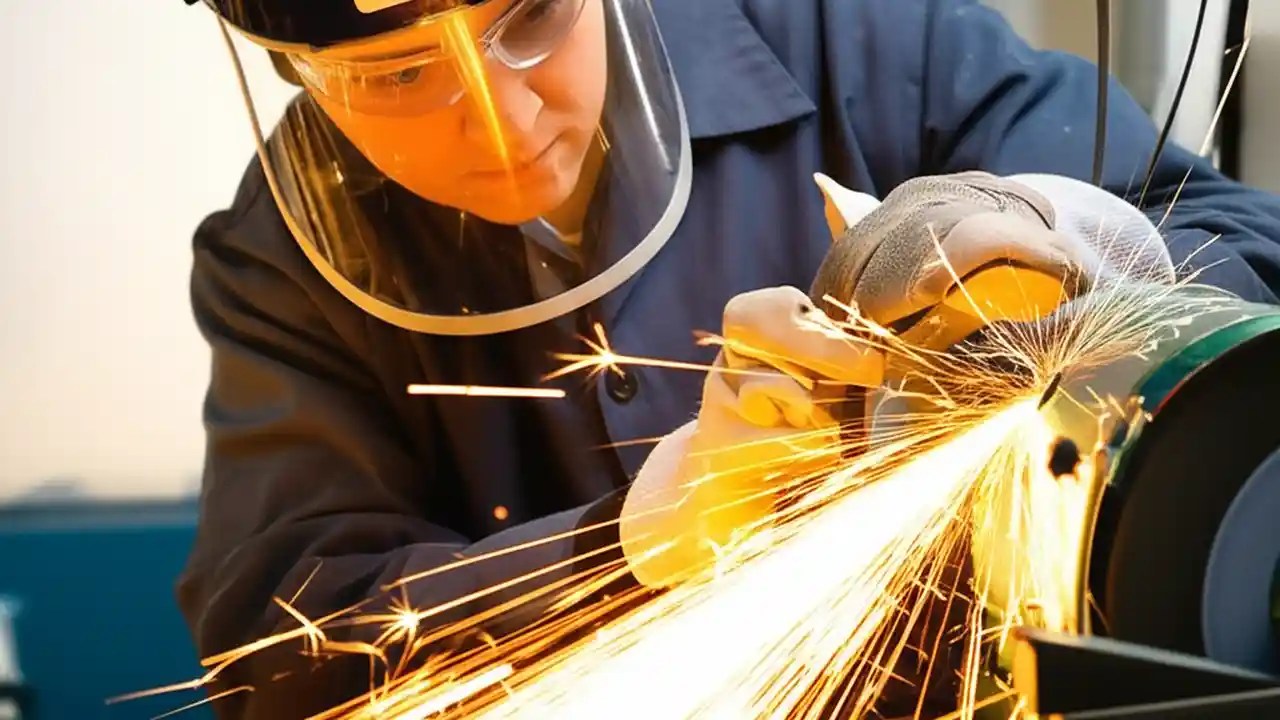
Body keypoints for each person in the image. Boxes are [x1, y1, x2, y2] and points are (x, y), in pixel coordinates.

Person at [175, 0, 1280, 716]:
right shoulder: (273, 258)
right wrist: (634, 542)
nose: (502, 121)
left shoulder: (858, 38)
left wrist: (1066, 232)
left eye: (529, 17)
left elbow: (1249, 248)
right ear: (291, 67)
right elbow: (277, 640)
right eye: (398, 76)